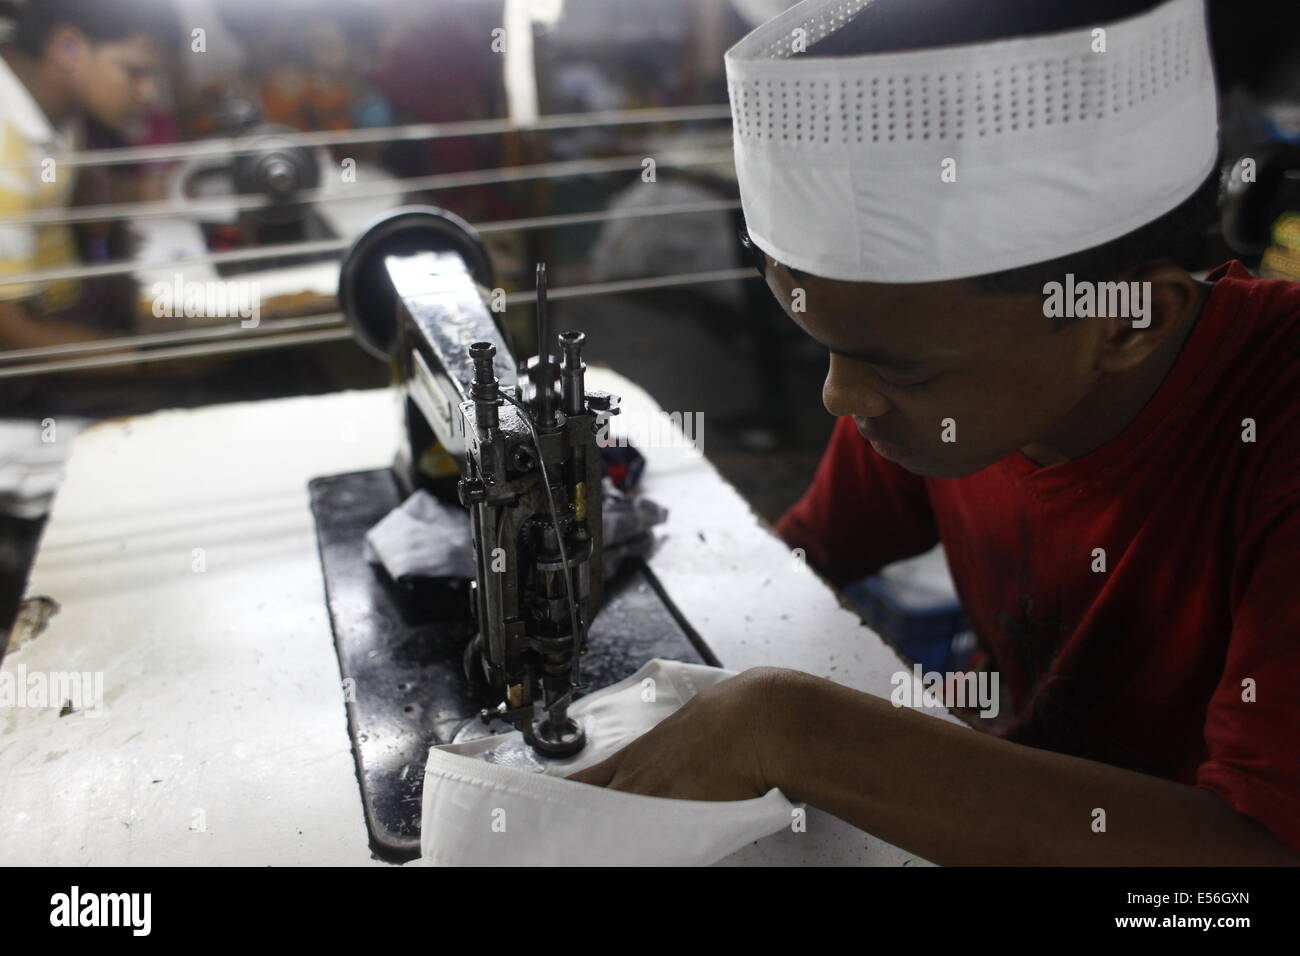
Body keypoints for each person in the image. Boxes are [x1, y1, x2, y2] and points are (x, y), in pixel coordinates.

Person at [568, 0, 1300, 865]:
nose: (843, 399)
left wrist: (794, 731)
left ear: (1127, 318)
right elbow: (798, 567)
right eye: (827, 351)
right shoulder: (938, 394)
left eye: (898, 367)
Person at [0, 0, 177, 353]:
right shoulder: (6, 141)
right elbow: (13, 339)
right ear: (68, 48)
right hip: (32, 366)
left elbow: (76, 207)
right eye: (135, 73)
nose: (149, 93)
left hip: (68, 315)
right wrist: (155, 362)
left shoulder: (60, 110)